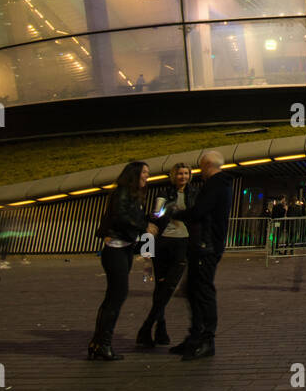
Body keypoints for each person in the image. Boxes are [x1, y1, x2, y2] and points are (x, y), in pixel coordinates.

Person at [163, 151, 235, 361]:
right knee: (194, 289)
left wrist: (175, 213)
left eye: (200, 166)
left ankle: (205, 339)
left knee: (202, 291)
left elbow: (199, 212)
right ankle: (196, 336)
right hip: (204, 245)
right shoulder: (221, 184)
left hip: (207, 245)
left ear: (206, 165)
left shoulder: (215, 185)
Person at [88, 162, 157, 361]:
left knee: (114, 297)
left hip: (124, 248)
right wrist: (145, 226)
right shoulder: (123, 192)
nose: (147, 176)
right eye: (144, 172)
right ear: (134, 175)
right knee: (116, 297)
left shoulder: (134, 195)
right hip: (115, 249)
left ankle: (98, 343)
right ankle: (103, 344)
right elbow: (121, 217)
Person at [137, 163, 191, 348]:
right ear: (173, 176)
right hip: (163, 242)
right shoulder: (164, 194)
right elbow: (155, 216)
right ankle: (160, 328)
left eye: (185, 174)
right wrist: (145, 249)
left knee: (169, 286)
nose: (182, 177)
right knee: (160, 287)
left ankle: (147, 326)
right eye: (179, 174)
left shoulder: (194, 194)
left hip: (182, 242)